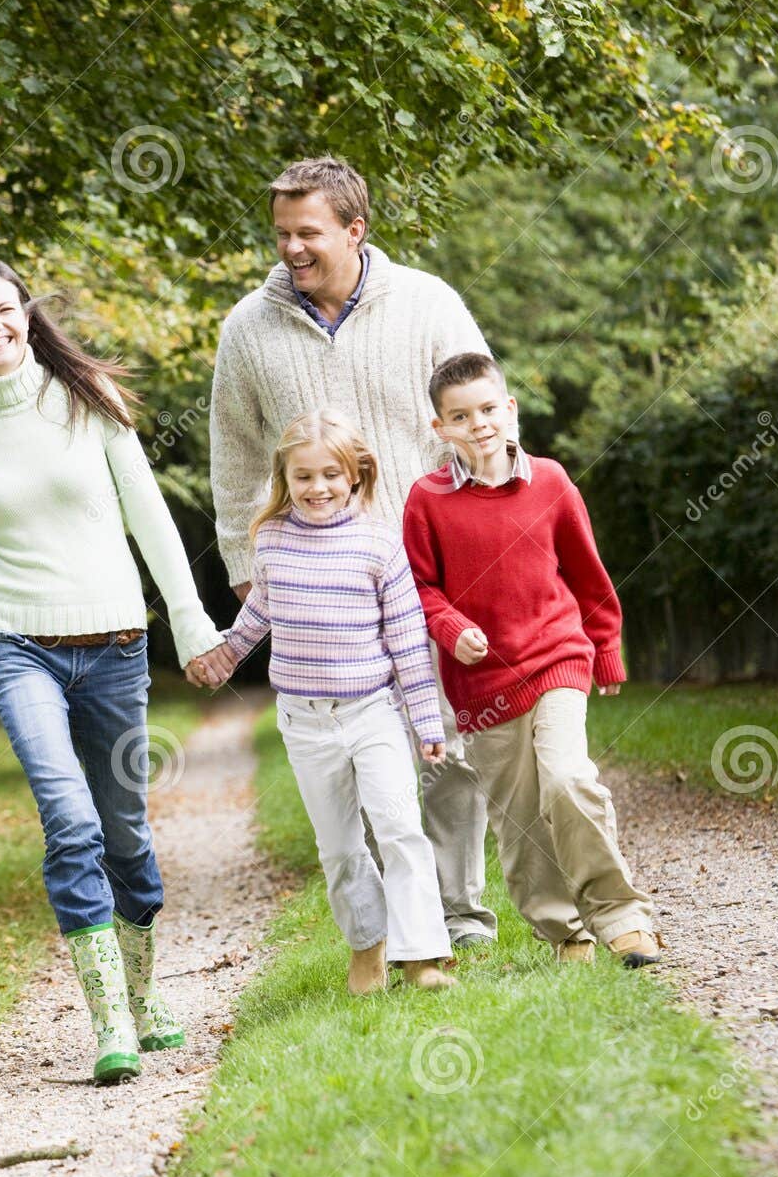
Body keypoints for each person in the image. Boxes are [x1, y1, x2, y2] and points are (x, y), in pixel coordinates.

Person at [0, 257, 231, 1085]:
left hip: (116, 645)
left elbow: (150, 519)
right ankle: (108, 1019)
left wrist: (191, 624)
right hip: (17, 645)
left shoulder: (91, 399)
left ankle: (145, 994)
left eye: (3, 309)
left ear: (27, 313)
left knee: (124, 832)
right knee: (70, 820)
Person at [209, 155, 499, 950]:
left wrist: (492, 532)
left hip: (430, 564)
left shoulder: (428, 304)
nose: (291, 248)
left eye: (307, 233)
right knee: (364, 757)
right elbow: (235, 456)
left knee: (444, 740)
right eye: (280, 234)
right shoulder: (247, 329)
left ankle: (460, 914)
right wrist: (246, 564)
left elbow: (481, 419)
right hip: (322, 576)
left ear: (354, 229)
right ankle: (398, 926)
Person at [402, 352, 661, 966]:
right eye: (461, 416)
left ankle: (622, 918)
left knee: (568, 779)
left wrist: (606, 646)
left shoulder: (550, 481)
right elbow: (419, 587)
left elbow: (587, 572)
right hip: (482, 683)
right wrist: (451, 628)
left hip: (556, 657)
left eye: (489, 409)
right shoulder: (426, 500)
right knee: (518, 819)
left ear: (510, 409)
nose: (479, 424)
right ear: (440, 427)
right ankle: (567, 933)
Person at [221, 409, 455, 992]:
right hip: (305, 722)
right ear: (284, 478)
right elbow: (260, 613)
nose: (317, 487)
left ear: (355, 475)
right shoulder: (272, 538)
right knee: (340, 847)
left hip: (373, 712)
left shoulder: (379, 542)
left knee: (399, 828)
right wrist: (222, 655)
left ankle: (423, 957)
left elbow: (407, 639)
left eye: (330, 474)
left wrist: (426, 722)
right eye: (303, 476)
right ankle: (368, 948)